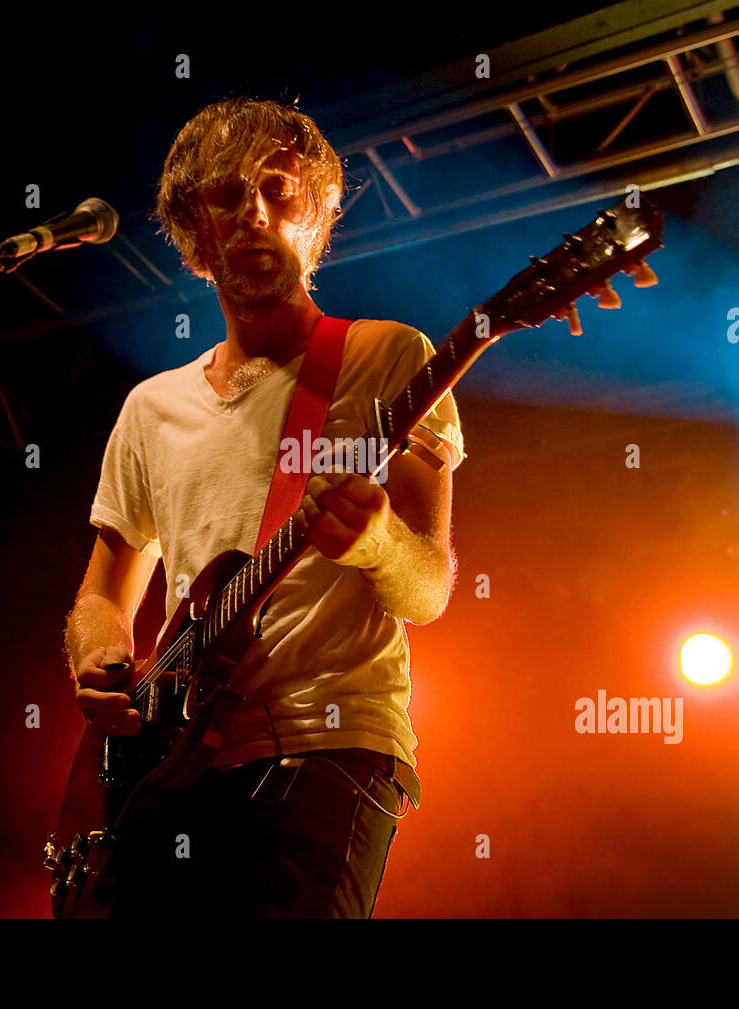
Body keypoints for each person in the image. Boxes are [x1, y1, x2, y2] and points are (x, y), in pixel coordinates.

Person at [64, 98, 464, 917]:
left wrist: (381, 542)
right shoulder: (150, 407)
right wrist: (97, 660)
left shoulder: (391, 356)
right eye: (224, 193)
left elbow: (428, 590)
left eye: (279, 190)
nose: (254, 212)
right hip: (170, 770)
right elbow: (104, 591)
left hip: (330, 744)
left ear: (314, 216)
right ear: (192, 229)